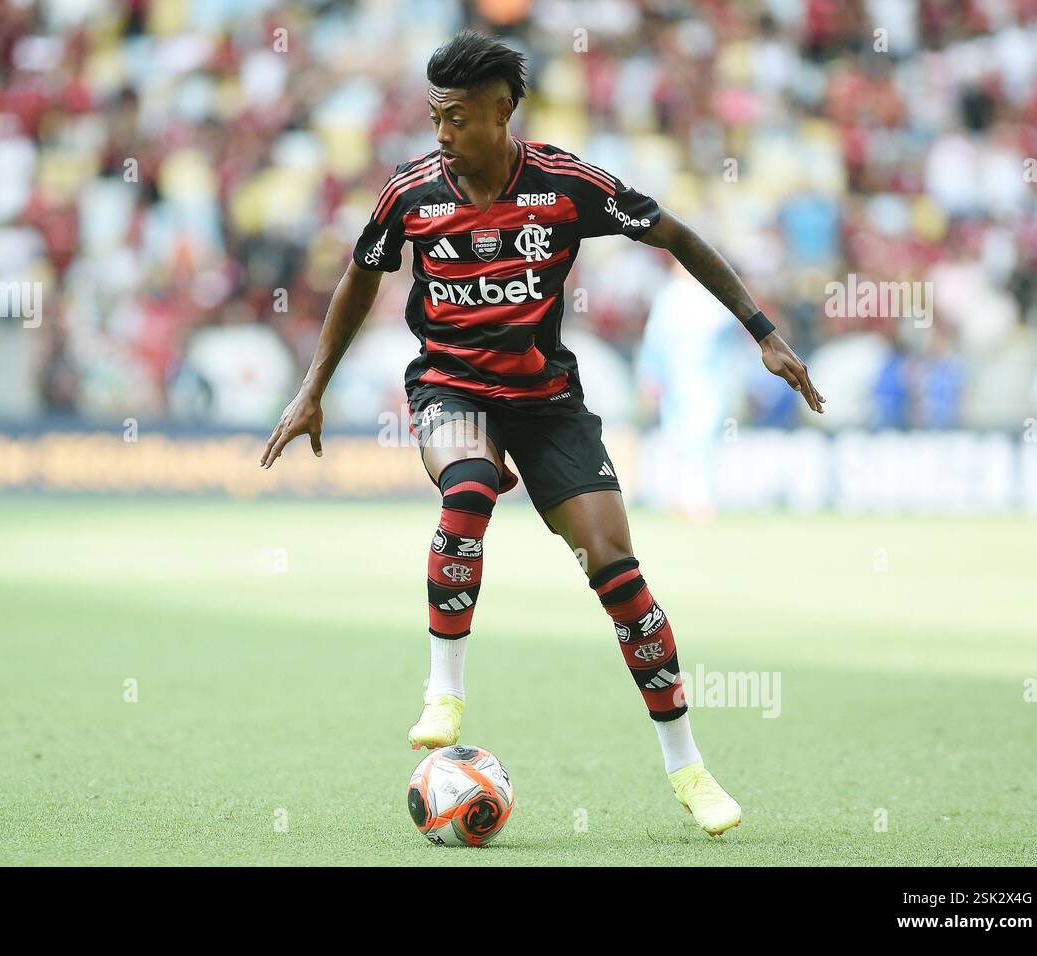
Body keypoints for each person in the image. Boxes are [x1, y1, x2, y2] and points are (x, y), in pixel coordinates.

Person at [260, 30, 825, 837]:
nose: (441, 135)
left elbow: (677, 237)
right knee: (470, 486)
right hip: (451, 385)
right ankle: (443, 692)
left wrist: (763, 331)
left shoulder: (563, 185)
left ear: (501, 111)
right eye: (432, 116)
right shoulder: (412, 192)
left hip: (547, 398)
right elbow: (362, 272)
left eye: (456, 118)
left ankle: (688, 768)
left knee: (618, 570)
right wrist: (312, 387)